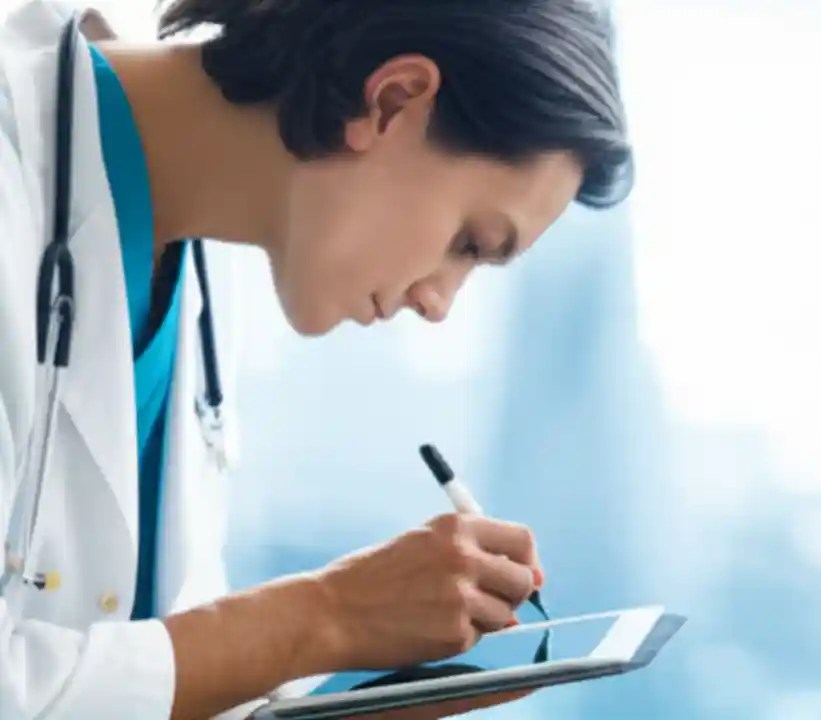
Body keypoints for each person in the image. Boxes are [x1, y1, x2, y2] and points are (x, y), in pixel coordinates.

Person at [0, 0, 632, 717]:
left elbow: (131, 674)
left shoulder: (207, 271)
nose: (439, 304)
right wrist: (326, 617)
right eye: (470, 243)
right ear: (393, 103)